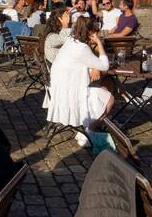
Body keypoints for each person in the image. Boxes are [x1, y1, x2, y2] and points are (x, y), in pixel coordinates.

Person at [45, 15, 113, 144]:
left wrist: (94, 67)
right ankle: (89, 131)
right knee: (109, 98)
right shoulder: (82, 48)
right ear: (90, 33)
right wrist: (99, 43)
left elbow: (80, 63)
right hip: (71, 95)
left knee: (104, 87)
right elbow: (104, 65)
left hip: (58, 91)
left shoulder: (70, 42)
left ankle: (97, 122)